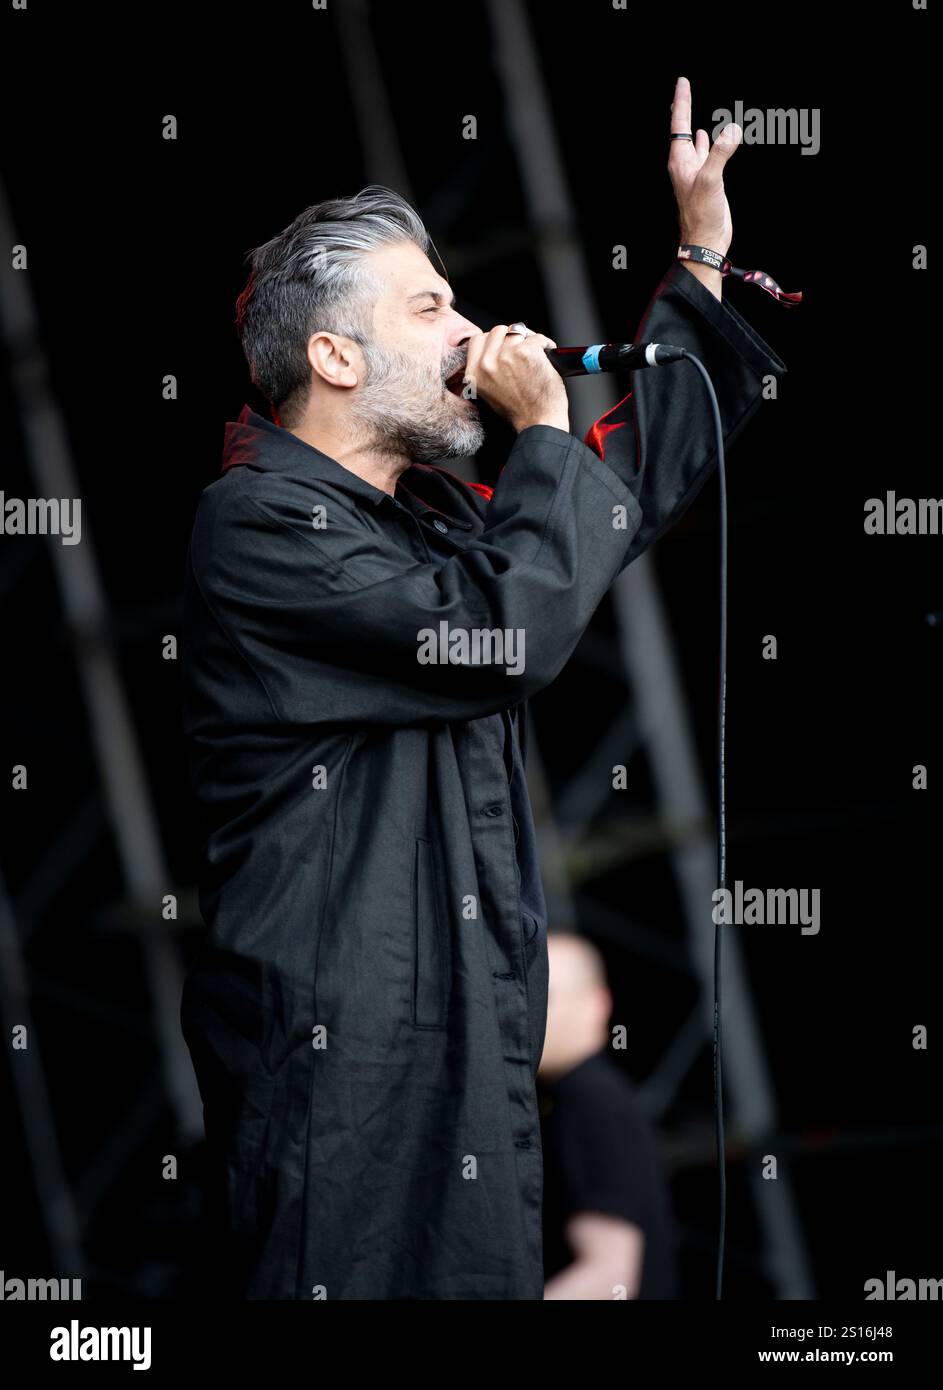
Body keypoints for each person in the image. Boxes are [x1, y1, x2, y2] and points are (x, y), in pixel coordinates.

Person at [179, 78, 787, 1299]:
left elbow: (618, 499)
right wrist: (546, 437)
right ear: (335, 354)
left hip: (461, 1048)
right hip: (343, 1076)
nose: (472, 325)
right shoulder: (260, 525)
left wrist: (699, 258)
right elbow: (503, 631)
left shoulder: (437, 521)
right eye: (431, 304)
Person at [538, 934, 680, 1300]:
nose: (527, 1014)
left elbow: (609, 1274)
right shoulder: (573, 1096)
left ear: (596, 1004)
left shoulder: (591, 1100)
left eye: (545, 997)